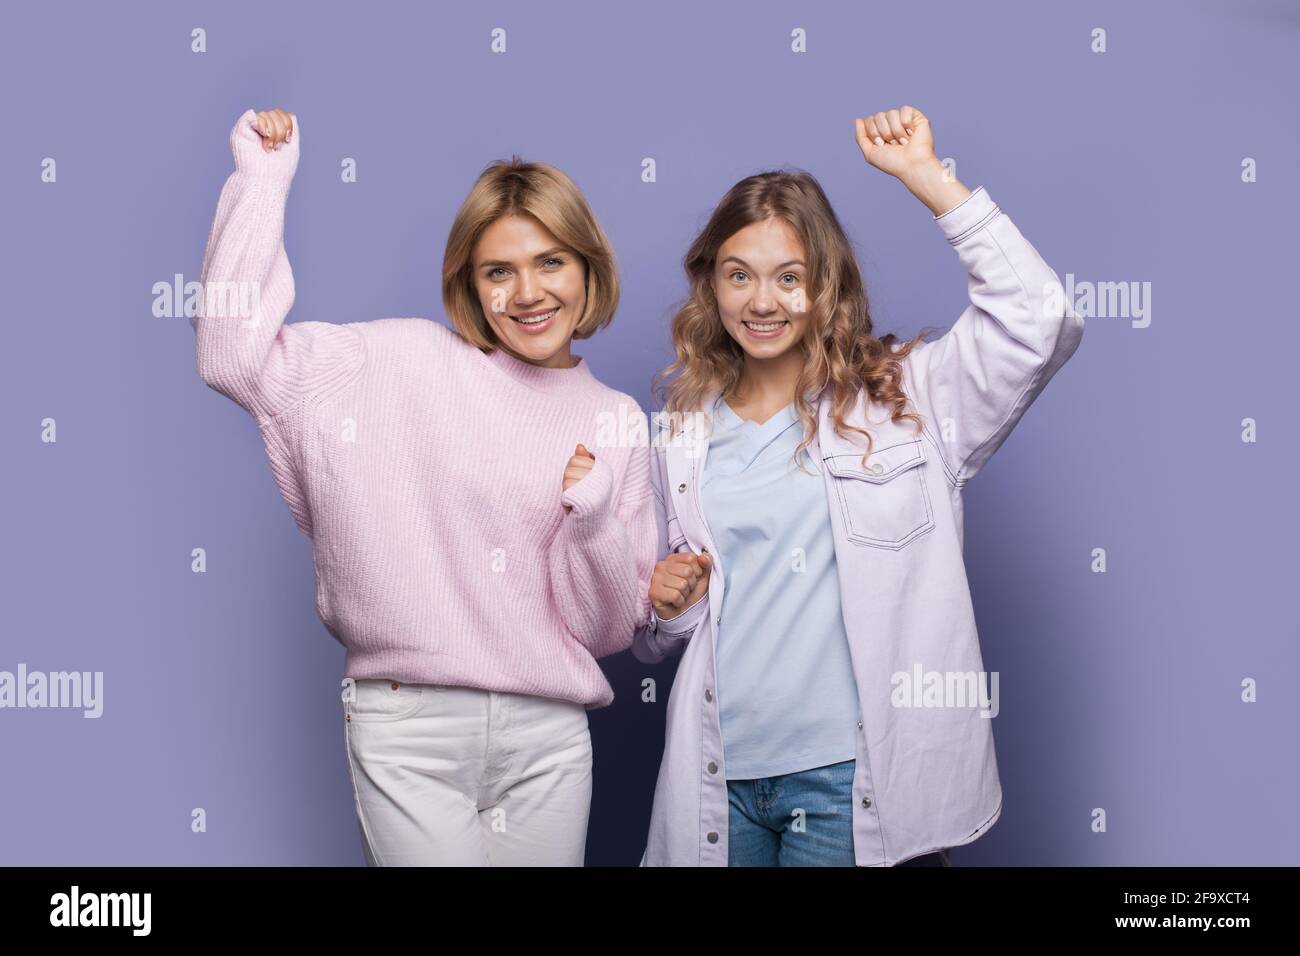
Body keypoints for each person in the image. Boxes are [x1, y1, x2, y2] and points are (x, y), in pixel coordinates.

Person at [194, 107, 657, 866]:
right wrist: (262, 181)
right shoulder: (396, 360)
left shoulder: (618, 420)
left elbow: (608, 630)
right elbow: (230, 355)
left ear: (588, 268)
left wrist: (594, 519)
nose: (528, 292)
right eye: (498, 271)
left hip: (549, 737)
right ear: (469, 284)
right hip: (411, 726)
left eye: (551, 262)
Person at [633, 105, 1084, 866]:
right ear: (711, 284)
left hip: (848, 781)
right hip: (720, 779)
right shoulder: (681, 435)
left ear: (826, 286)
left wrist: (928, 178)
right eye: (739, 275)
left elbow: (1042, 321)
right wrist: (669, 606)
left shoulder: (909, 398)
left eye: (789, 277)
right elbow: (657, 636)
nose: (762, 302)